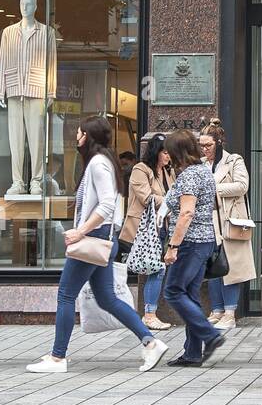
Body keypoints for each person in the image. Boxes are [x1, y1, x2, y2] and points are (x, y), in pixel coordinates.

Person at [27, 117, 168, 374]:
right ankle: (150, 342)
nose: (76, 139)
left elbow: (105, 205)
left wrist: (80, 231)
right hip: (102, 238)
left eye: (79, 134)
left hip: (95, 238)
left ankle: (58, 358)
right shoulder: (104, 162)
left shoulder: (98, 164)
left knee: (66, 295)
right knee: (107, 298)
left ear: (88, 137)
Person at [161, 129, 228, 367]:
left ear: (177, 152)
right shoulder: (203, 171)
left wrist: (173, 246)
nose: (166, 156)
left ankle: (210, 335)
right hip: (205, 241)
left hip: (190, 242)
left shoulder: (189, 176)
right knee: (190, 294)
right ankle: (192, 353)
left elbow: (187, 213)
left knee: (173, 291)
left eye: (168, 151)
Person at [200, 121, 254, 330]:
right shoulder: (201, 163)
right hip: (208, 221)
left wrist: (214, 188)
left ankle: (230, 313)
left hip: (230, 221)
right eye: (202, 145)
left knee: (231, 266)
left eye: (208, 145)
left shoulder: (234, 160)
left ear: (219, 143)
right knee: (213, 265)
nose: (204, 150)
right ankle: (217, 310)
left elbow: (242, 185)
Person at [120, 133, 172, 331]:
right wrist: (171, 200)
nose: (168, 156)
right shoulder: (140, 169)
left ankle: (149, 313)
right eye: (165, 152)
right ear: (155, 152)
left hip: (161, 228)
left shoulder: (167, 171)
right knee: (156, 269)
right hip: (144, 228)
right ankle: (149, 315)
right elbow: (146, 197)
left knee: (156, 269)